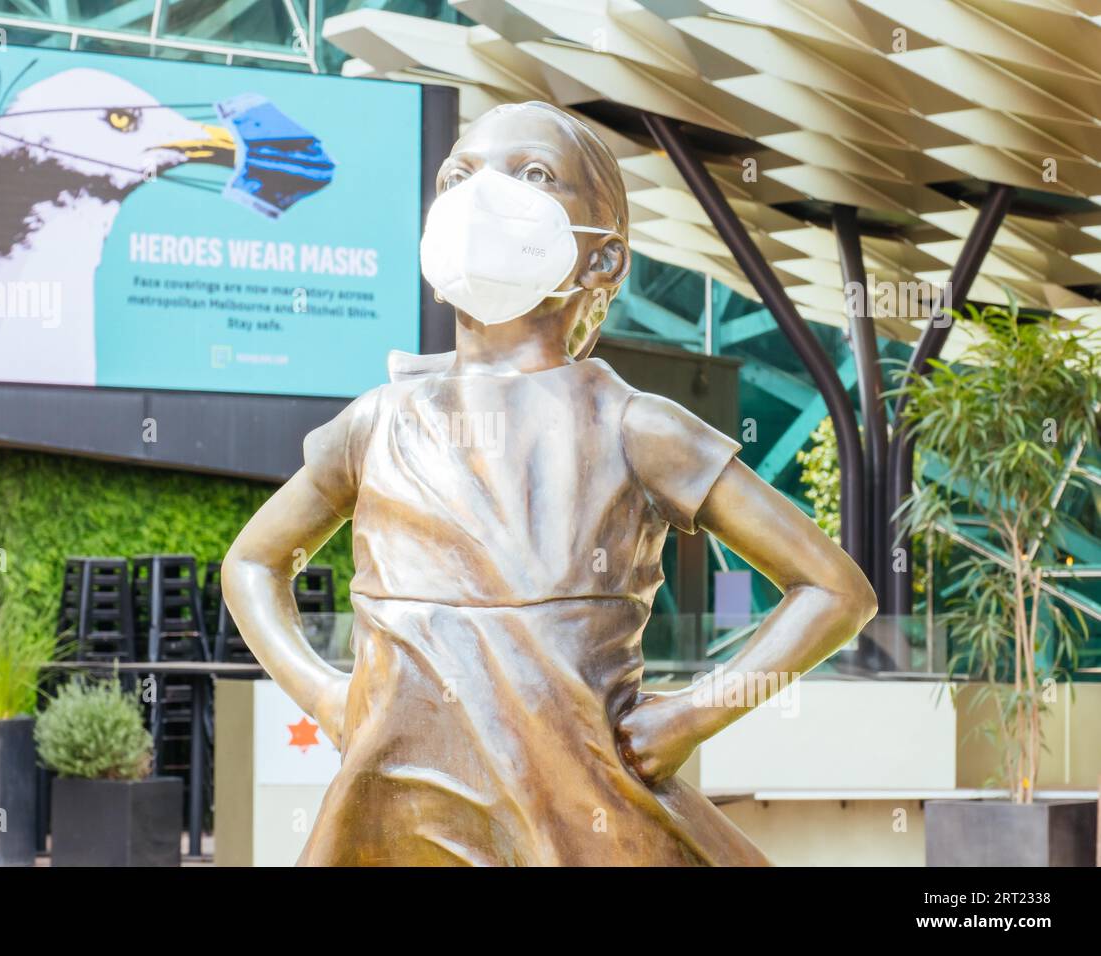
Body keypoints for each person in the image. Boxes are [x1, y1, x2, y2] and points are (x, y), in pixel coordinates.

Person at [223, 101, 876, 866]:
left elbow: (835, 591)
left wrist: (694, 716)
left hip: (584, 820)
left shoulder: (636, 428)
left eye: (533, 175)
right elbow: (252, 561)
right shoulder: (377, 423)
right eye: (457, 175)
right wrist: (325, 694)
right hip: (391, 820)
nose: (481, 194)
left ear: (602, 260)